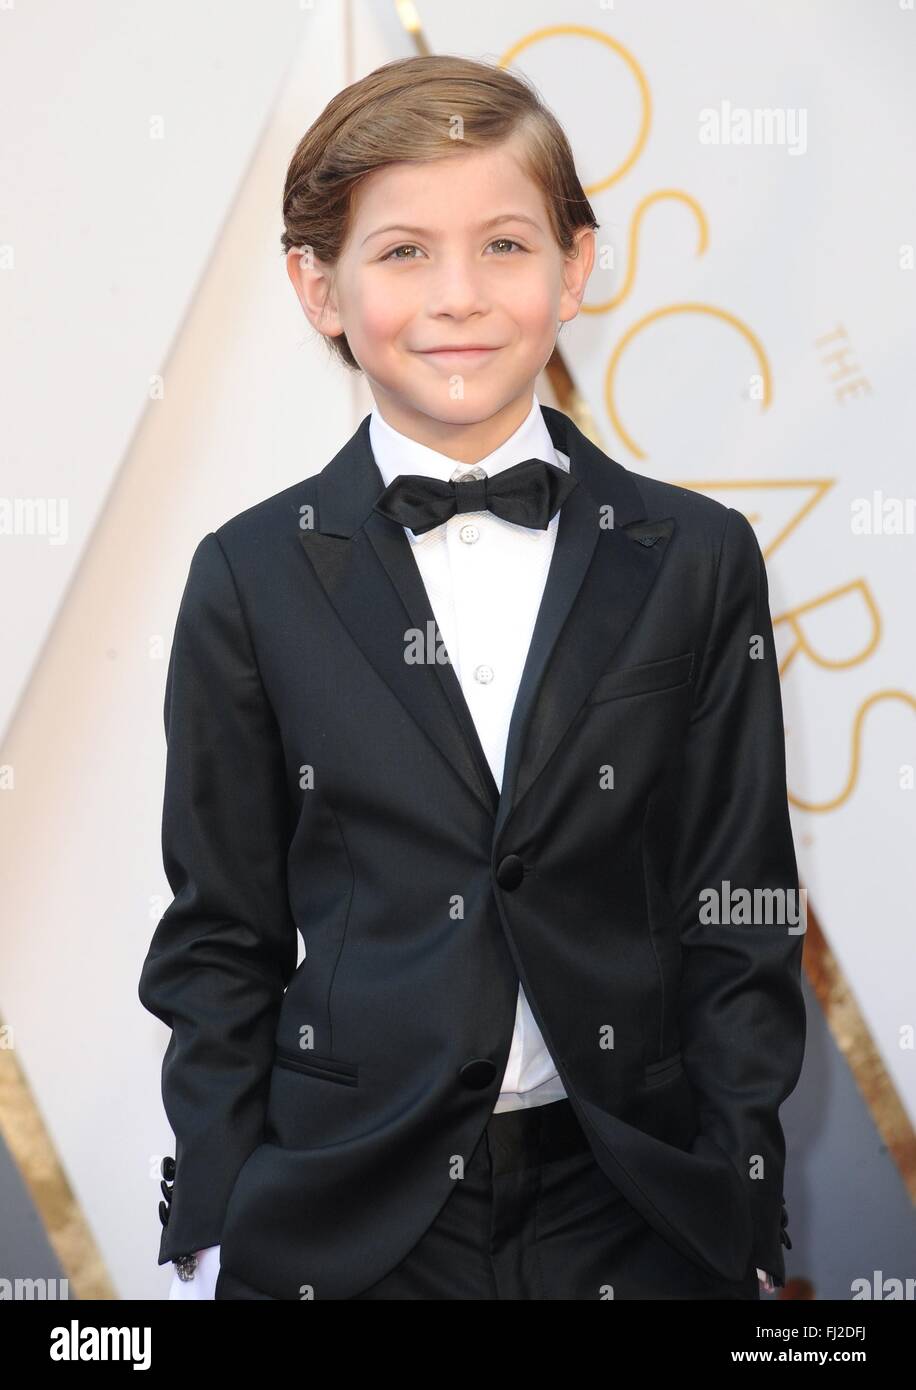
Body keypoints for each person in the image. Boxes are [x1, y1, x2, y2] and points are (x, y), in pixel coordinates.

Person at [139, 53, 805, 1301]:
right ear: (316, 285)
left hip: (639, 1206)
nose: (459, 297)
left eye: (504, 244)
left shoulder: (697, 560)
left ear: (577, 266)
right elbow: (219, 937)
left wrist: (743, 1202)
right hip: (344, 1214)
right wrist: (217, 1221)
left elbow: (739, 911)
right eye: (401, 253)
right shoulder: (248, 576)